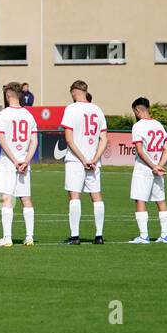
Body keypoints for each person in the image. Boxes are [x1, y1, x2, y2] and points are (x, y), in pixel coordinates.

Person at [60, 79, 107, 245]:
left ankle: (75, 236)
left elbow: (69, 138)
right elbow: (104, 139)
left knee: (74, 195)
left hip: (75, 160)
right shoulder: (97, 109)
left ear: (74, 92)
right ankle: (99, 235)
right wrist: (94, 158)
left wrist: (82, 159)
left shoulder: (71, 109)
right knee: (96, 196)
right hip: (94, 161)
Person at [0, 81, 38, 247]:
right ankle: (30, 236)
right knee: (26, 198)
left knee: (6, 198)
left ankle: (7, 238)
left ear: (8, 95)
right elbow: (34, 141)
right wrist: (26, 160)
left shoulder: (3, 115)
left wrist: (14, 160)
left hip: (8, 162)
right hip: (24, 163)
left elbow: (1, 140)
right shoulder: (29, 115)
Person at [128, 98, 167, 244]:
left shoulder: (138, 126)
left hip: (144, 168)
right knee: (160, 200)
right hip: (157, 169)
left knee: (140, 200)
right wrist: (159, 165)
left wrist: (153, 166)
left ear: (137, 110)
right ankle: (165, 235)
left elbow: (140, 151)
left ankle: (144, 236)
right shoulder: (158, 125)